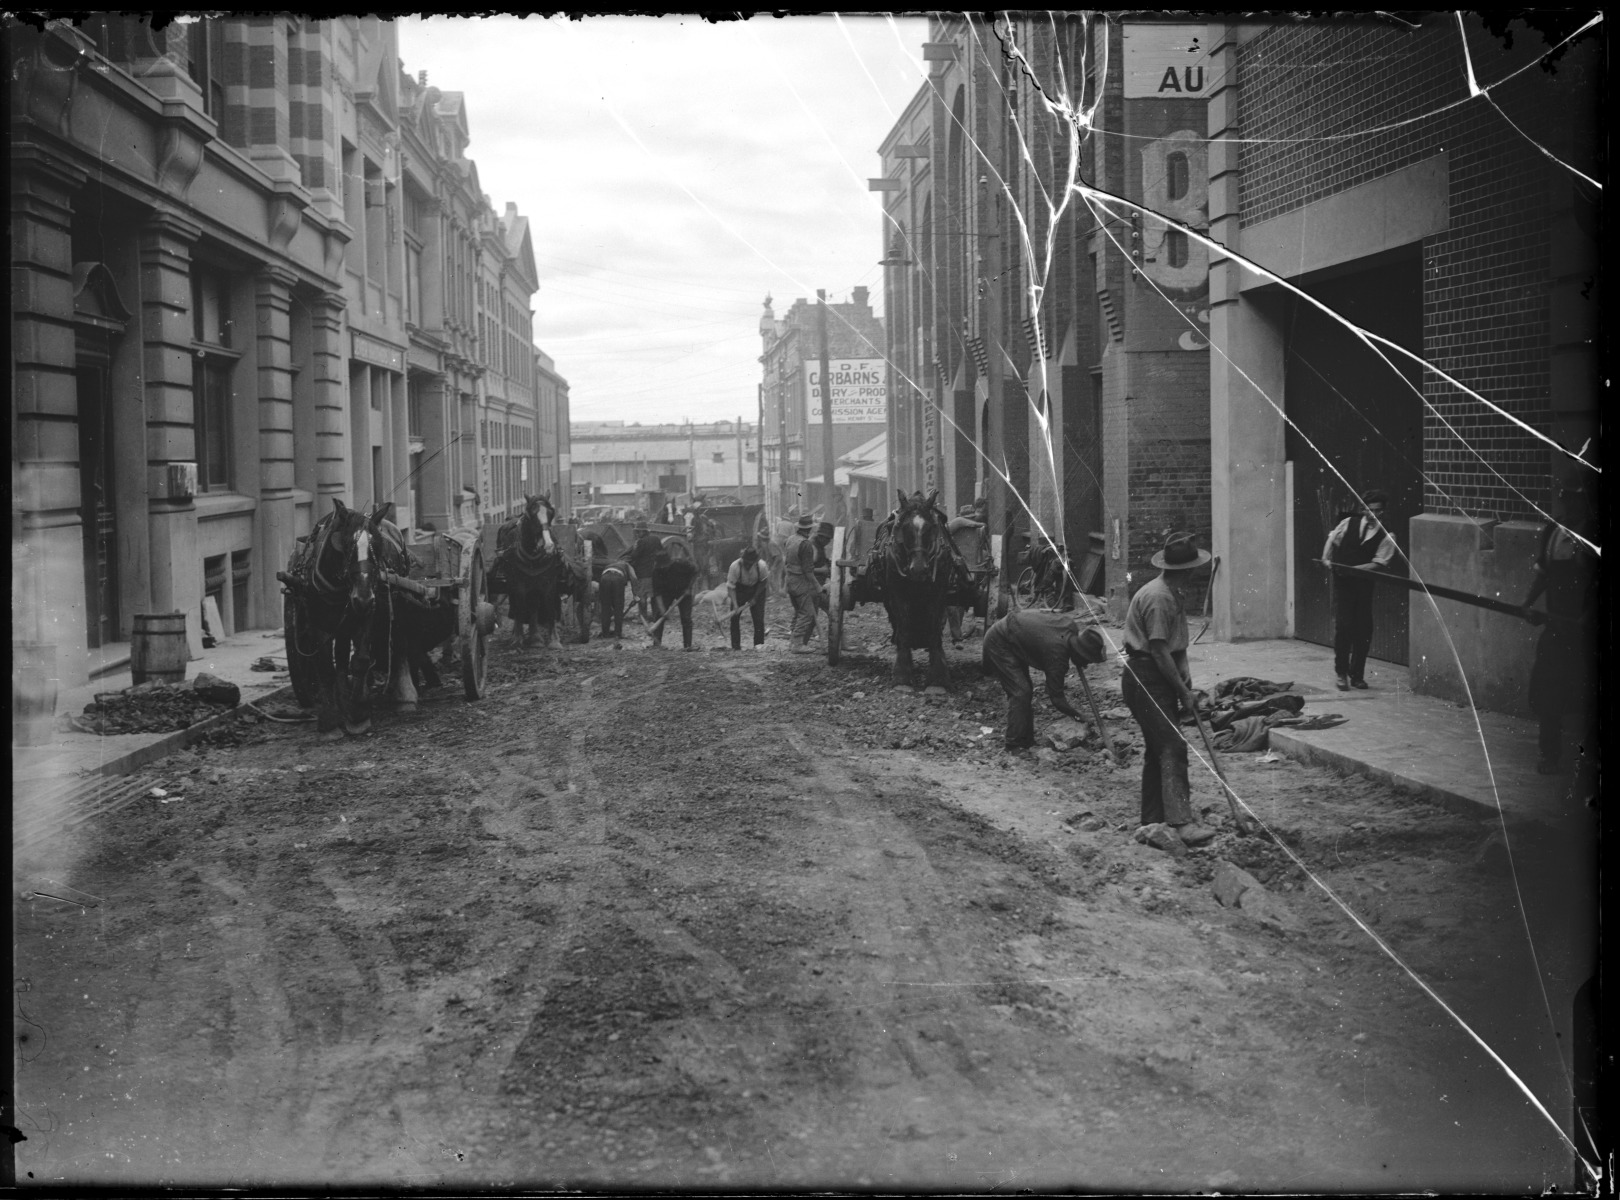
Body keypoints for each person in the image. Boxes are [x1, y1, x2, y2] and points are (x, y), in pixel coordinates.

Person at [1122, 531, 1216, 846]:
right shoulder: (1159, 597)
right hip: (1146, 676)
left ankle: (1152, 818)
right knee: (1173, 747)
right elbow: (1159, 650)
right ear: (1183, 570)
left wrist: (1185, 676)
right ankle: (1180, 822)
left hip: (1156, 674)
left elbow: (1175, 647)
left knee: (1157, 748)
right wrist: (1182, 690)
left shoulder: (1174, 592)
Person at [1521, 479, 1598, 775]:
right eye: (1565, 498)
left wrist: (1589, 615)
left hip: (1588, 630)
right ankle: (1549, 755)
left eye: (1576, 499)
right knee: (1548, 689)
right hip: (1558, 626)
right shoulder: (1554, 532)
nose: (1569, 505)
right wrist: (1528, 604)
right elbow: (1544, 575)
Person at [982, 609, 1108, 751]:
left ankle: (1026, 740)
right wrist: (1079, 715)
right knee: (1020, 692)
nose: (1085, 666)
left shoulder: (1070, 626)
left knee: (1025, 690)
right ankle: (1013, 744)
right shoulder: (1057, 657)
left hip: (1014, 636)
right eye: (1087, 661)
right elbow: (1056, 699)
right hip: (999, 642)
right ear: (1080, 654)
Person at [1321, 489, 1397, 690]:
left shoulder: (1387, 535)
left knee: (1363, 629)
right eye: (1369, 510)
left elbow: (1379, 563)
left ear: (1383, 511)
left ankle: (1357, 676)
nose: (1373, 515)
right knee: (1344, 627)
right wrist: (1326, 558)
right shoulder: (1349, 523)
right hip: (1343, 584)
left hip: (1363, 585)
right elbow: (1332, 538)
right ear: (1363, 509)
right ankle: (1341, 674)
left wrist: (1355, 570)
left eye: (1378, 511)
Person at [946, 503, 989, 647]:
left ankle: (956, 636)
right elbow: (958, 522)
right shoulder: (959, 525)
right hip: (958, 568)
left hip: (966, 569)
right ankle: (954, 636)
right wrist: (977, 523)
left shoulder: (976, 531)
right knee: (953, 603)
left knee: (958, 602)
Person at [783, 513, 821, 652]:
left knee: (798, 612)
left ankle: (792, 643)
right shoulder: (806, 545)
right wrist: (817, 586)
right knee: (807, 613)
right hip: (800, 581)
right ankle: (797, 644)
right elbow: (808, 570)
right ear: (809, 529)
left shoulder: (790, 539)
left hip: (790, 580)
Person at [648, 549, 698, 650]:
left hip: (683, 591)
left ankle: (688, 646)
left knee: (686, 618)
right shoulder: (656, 572)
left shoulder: (682, 564)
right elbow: (657, 593)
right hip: (666, 592)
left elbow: (696, 571)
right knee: (659, 615)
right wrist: (663, 611)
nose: (662, 568)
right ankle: (657, 644)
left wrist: (689, 587)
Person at [726, 545, 770, 650]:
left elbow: (763, 582)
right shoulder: (734, 566)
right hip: (740, 591)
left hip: (757, 590)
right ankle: (736, 646)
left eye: (751, 563)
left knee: (759, 619)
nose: (748, 565)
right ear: (742, 559)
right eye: (746, 562)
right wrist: (736, 605)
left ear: (755, 561)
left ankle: (759, 645)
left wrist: (755, 597)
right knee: (734, 618)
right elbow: (731, 587)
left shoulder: (762, 566)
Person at [624, 521, 663, 621]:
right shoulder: (656, 539)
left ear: (643, 532)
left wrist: (632, 552)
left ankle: (643, 618)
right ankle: (655, 616)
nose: (637, 534)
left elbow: (634, 556)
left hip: (643, 574)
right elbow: (662, 553)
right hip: (655, 573)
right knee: (654, 596)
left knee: (642, 596)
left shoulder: (641, 542)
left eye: (638, 532)